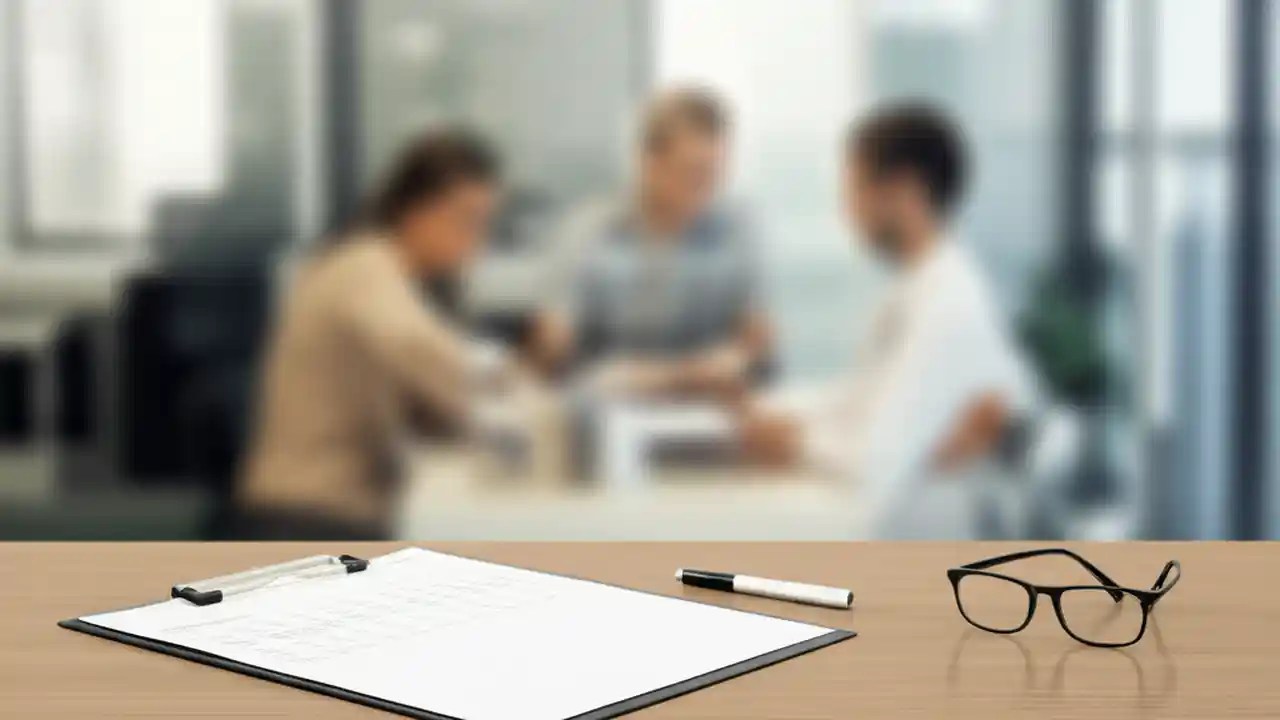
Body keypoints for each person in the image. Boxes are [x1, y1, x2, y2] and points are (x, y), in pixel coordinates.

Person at [737, 103, 1036, 539]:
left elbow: (877, 456)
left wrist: (791, 441)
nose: (847, 209)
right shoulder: (916, 288)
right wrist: (782, 417)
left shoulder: (947, 303)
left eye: (853, 188)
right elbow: (864, 400)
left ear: (903, 190)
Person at [235, 128, 507, 539]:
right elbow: (439, 366)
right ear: (415, 211)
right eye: (467, 221)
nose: (475, 241)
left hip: (331, 511)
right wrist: (514, 386)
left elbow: (431, 408)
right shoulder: (364, 269)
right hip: (306, 516)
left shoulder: (384, 273)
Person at [531, 87, 770, 398]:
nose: (709, 187)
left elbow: (756, 343)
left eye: (717, 172)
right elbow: (555, 351)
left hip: (707, 409)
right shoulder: (588, 231)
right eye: (695, 172)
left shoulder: (737, 230)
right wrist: (553, 340)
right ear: (648, 161)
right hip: (607, 410)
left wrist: (744, 354)